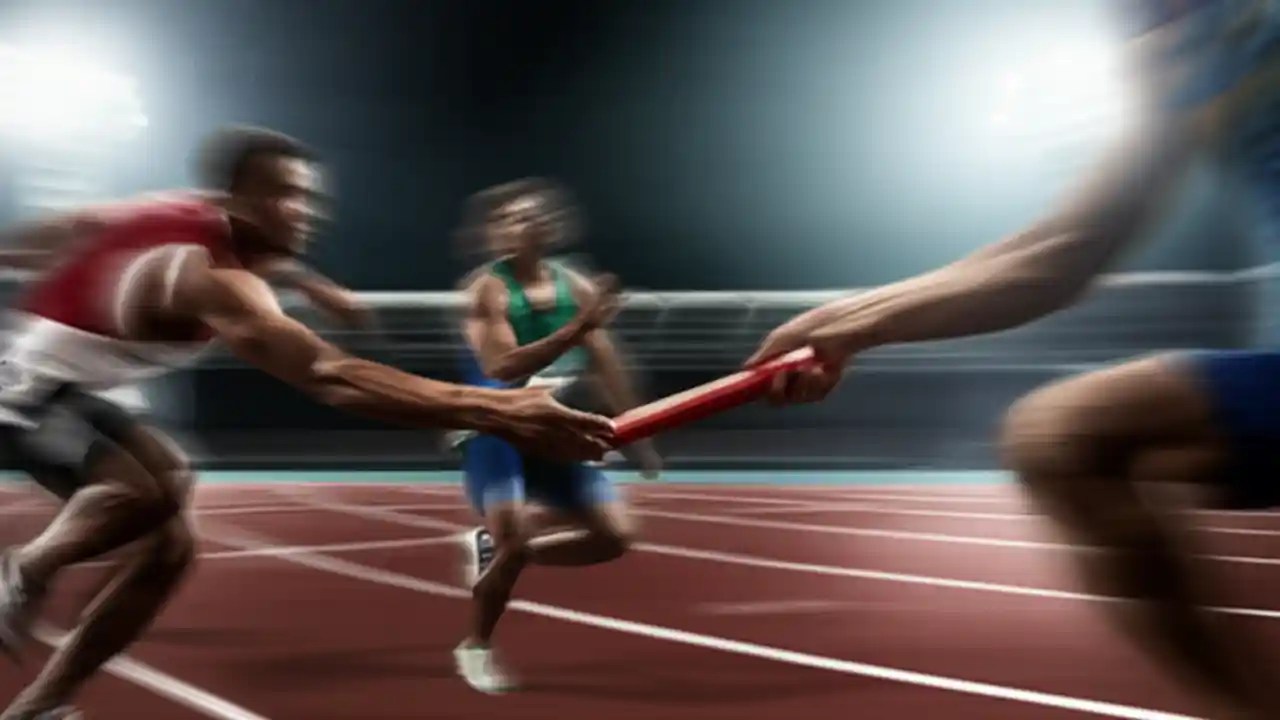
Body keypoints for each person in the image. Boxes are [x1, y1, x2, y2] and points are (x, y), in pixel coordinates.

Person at [748, 2, 1280, 717]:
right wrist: (847, 324)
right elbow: (1057, 253)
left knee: (1082, 435)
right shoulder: (1188, 53)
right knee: (1075, 441)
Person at [0, 128, 614, 720]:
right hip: (32, 387)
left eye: (311, 197)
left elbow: (82, 225)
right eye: (285, 196)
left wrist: (321, 291)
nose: (306, 211)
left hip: (92, 380)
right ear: (238, 200)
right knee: (143, 494)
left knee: (172, 543)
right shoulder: (206, 276)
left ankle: (41, 704)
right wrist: (499, 408)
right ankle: (26, 570)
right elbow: (329, 376)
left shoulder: (213, 220)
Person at [451, 178, 661, 694]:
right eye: (513, 217)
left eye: (535, 214)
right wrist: (577, 328)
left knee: (614, 537)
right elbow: (501, 366)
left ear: (553, 226)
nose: (527, 222)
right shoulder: (487, 289)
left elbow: (607, 361)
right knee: (514, 538)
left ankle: (503, 551)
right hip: (495, 424)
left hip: (553, 424)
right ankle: (476, 645)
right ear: (498, 233)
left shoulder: (577, 286)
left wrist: (637, 431)